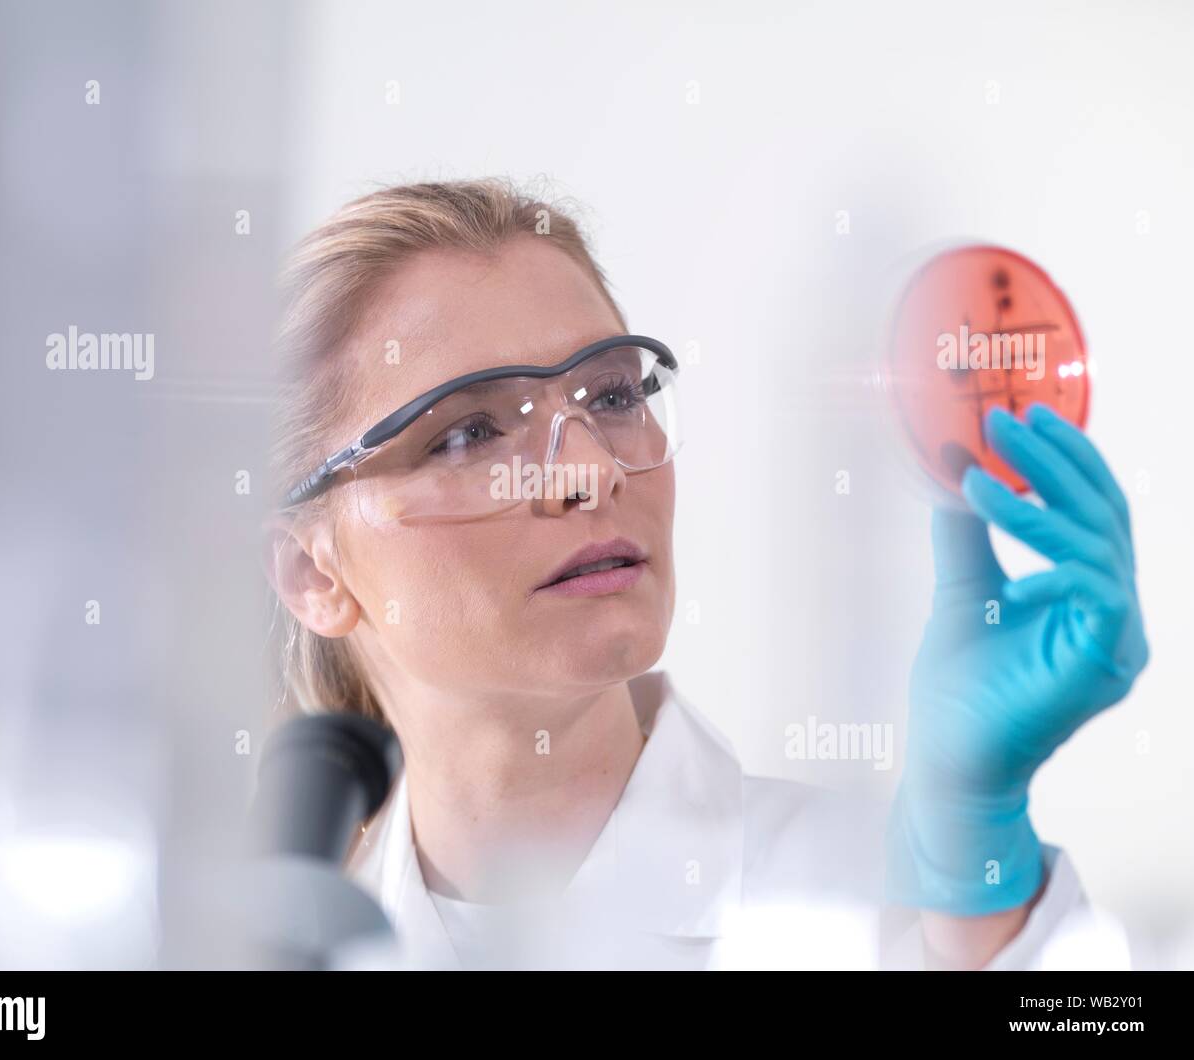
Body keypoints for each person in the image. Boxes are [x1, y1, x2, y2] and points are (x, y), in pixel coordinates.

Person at [263, 179, 1148, 970]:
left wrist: (989, 886)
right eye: (467, 434)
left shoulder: (876, 907)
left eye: (612, 396)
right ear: (313, 570)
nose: (589, 472)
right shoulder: (268, 946)